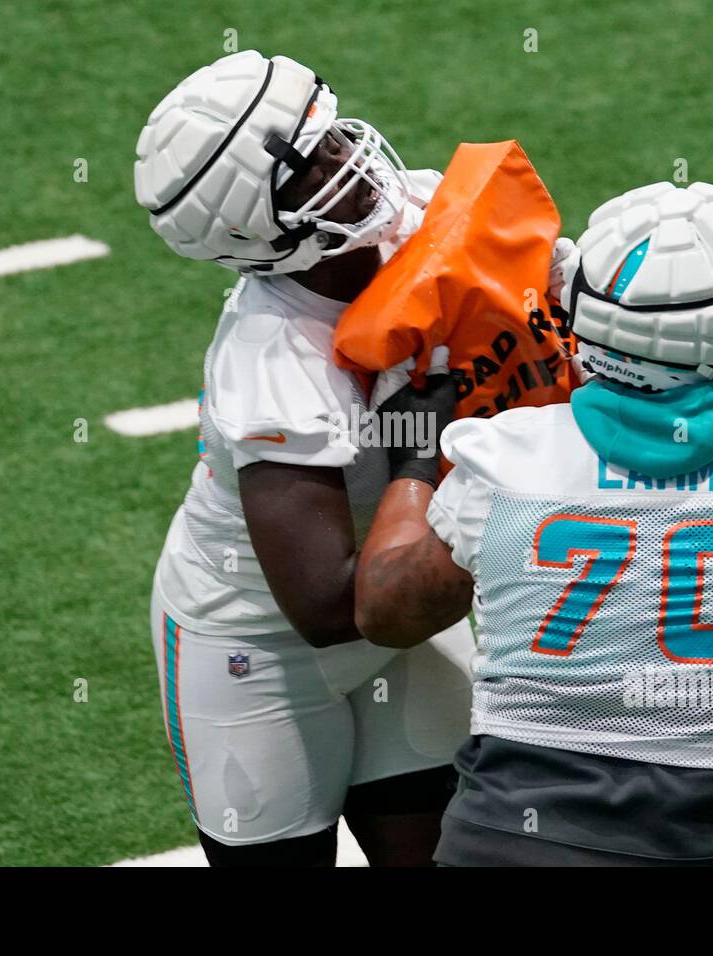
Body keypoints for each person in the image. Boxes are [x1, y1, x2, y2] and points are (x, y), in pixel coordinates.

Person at [355, 182, 713, 866]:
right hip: (707, 842)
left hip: (508, 837)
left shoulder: (505, 460)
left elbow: (387, 609)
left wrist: (414, 457)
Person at [132, 50, 476, 867]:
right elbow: (326, 607)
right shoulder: (271, 361)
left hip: (401, 605)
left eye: (330, 132)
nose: (348, 153)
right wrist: (417, 454)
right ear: (259, 227)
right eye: (310, 162)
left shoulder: (425, 213)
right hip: (258, 647)